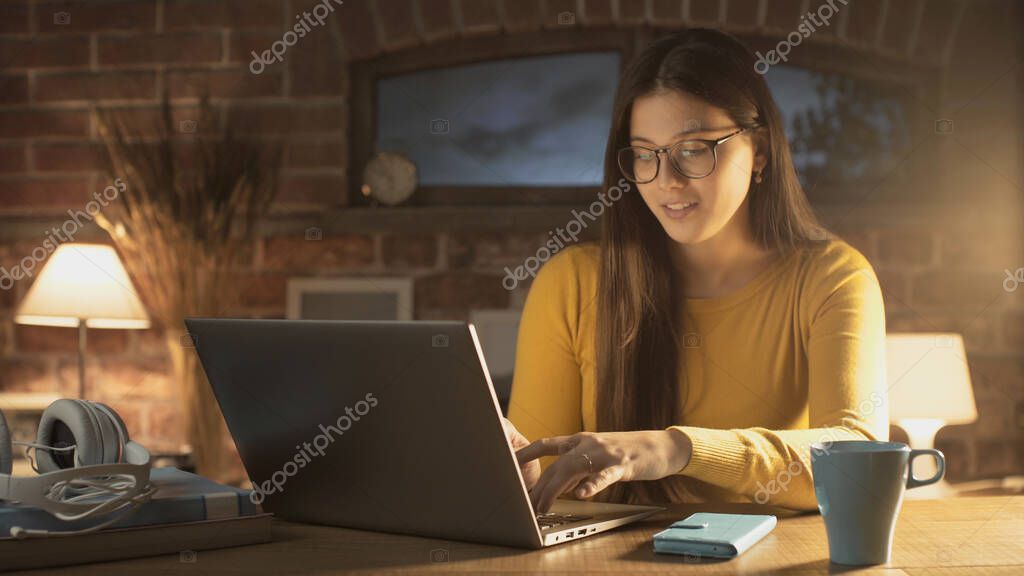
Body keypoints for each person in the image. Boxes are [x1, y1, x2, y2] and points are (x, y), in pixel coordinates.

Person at [504, 28, 888, 514]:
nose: (667, 181)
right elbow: (540, 488)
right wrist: (504, 465)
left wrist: (675, 450)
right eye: (646, 154)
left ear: (761, 151)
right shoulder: (570, 283)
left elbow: (857, 461)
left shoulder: (832, 278)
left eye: (694, 148)